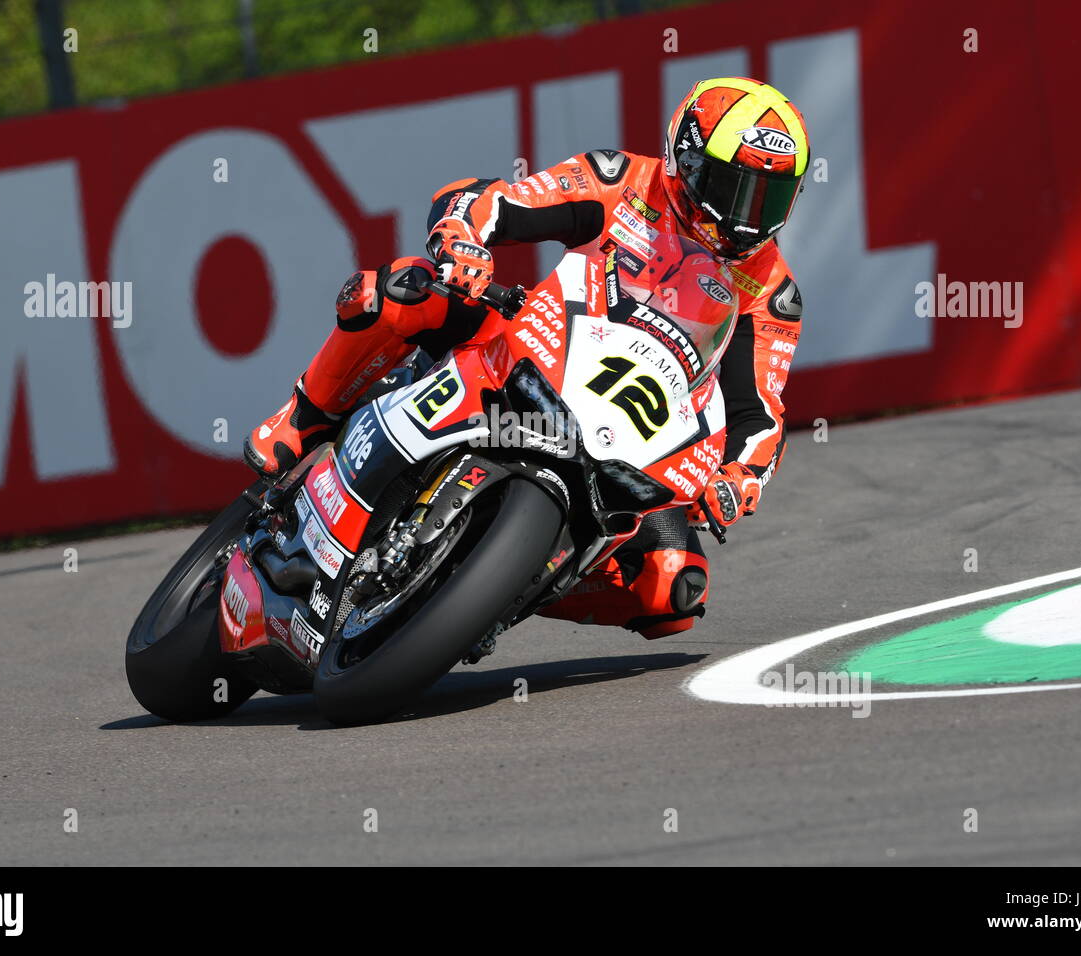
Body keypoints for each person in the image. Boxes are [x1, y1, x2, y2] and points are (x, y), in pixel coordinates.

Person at [245, 77, 808, 639]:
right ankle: (305, 417)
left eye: (770, 199)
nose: (746, 218)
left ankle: (501, 584)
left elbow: (759, 412)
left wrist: (741, 476)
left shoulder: (771, 290)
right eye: (734, 188)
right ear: (685, 159)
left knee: (675, 591)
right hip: (528, 345)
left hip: (629, 432)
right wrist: (463, 237)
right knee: (399, 291)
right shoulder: (620, 180)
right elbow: (496, 202)